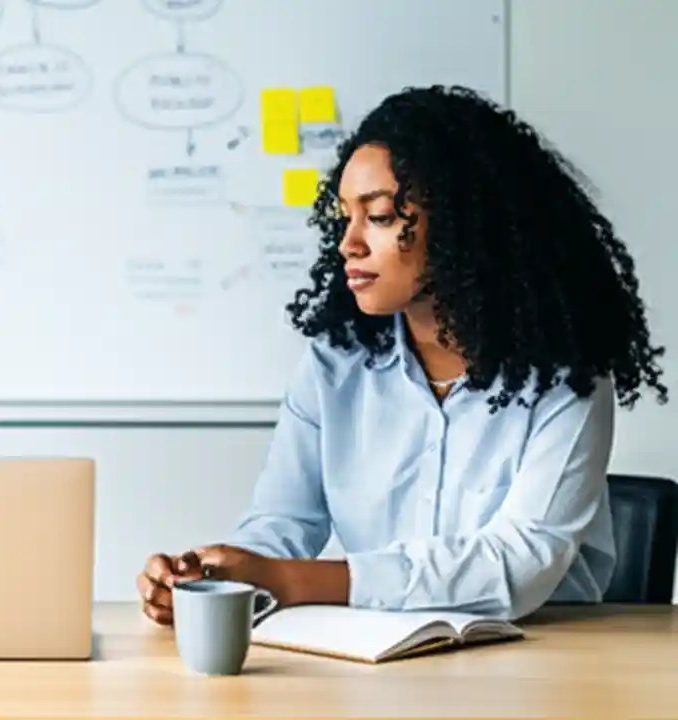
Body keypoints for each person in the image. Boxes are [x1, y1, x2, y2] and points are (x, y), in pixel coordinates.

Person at [138, 85, 668, 623]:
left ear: (464, 225)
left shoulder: (566, 378)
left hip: (550, 648)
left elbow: (518, 564)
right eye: (344, 216)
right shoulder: (333, 367)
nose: (349, 243)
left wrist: (293, 580)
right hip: (379, 646)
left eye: (381, 216)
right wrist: (213, 578)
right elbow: (282, 523)